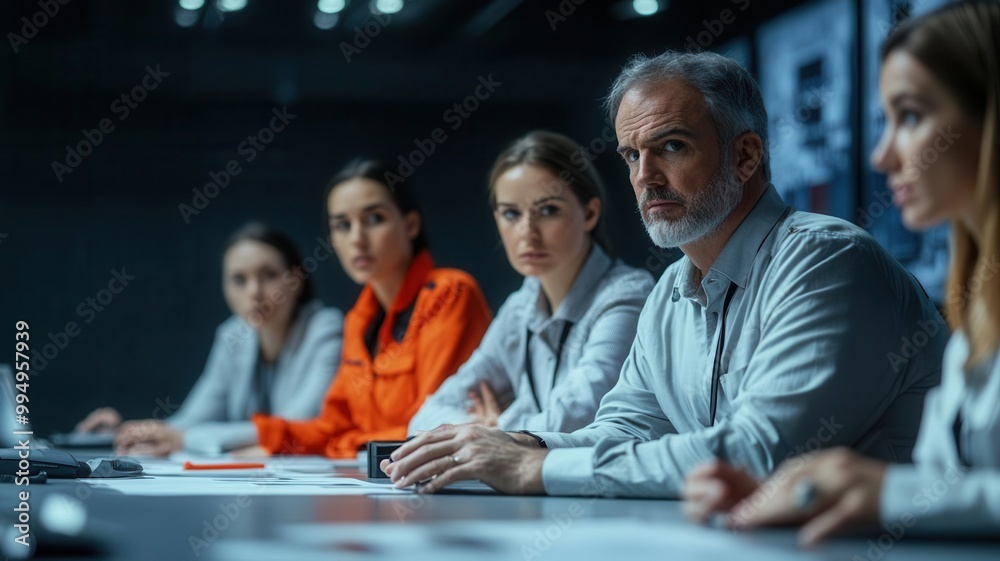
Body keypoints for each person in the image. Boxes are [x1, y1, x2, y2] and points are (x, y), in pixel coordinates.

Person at [381, 50, 947, 497]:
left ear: (746, 156)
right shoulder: (670, 292)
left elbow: (758, 454)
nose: (645, 177)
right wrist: (519, 443)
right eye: (631, 155)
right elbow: (625, 429)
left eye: (671, 147)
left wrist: (535, 467)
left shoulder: (825, 261)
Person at [682, 1, 1000, 543]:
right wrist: (800, 493)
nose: (881, 156)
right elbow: (950, 489)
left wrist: (884, 491)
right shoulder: (978, 311)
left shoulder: (827, 254)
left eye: (911, 117)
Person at [409, 131, 654, 434]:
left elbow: (578, 419)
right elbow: (424, 417)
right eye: (511, 213)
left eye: (548, 210)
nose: (527, 232)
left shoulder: (628, 297)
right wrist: (492, 431)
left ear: (590, 214)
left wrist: (492, 430)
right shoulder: (520, 307)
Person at [250, 159, 493, 459]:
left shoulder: (450, 294)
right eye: (342, 225)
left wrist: (350, 443)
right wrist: (270, 438)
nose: (357, 239)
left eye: (375, 219)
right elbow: (332, 426)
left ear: (411, 225)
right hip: (384, 472)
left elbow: (429, 426)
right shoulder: (358, 320)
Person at [75, 222, 345, 455]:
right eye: (239, 280)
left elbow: (297, 424)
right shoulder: (232, 335)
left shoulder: (326, 328)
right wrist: (131, 432)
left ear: (296, 281)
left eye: (269, 275)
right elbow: (193, 418)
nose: (254, 292)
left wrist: (186, 439)